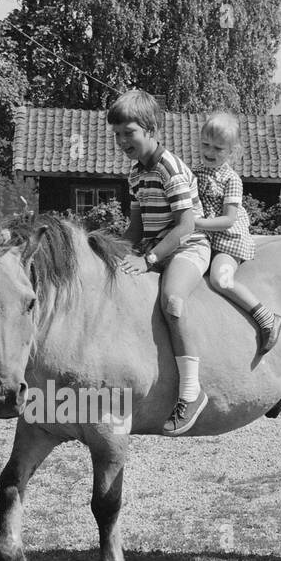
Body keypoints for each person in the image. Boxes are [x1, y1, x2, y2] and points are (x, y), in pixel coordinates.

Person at [108, 89, 213, 435]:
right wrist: (115, 252)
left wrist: (150, 259)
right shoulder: (136, 175)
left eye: (130, 133)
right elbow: (137, 226)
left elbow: (186, 225)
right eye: (118, 134)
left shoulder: (171, 169)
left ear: (151, 129)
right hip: (157, 246)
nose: (123, 141)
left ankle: (192, 392)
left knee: (172, 301)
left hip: (188, 247)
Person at [194, 111, 281, 353]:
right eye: (205, 145)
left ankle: (266, 317)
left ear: (232, 152)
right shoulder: (195, 173)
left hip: (227, 240)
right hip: (203, 238)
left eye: (218, 148)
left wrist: (196, 223)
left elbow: (228, 219)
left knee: (220, 280)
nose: (210, 152)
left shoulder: (231, 179)